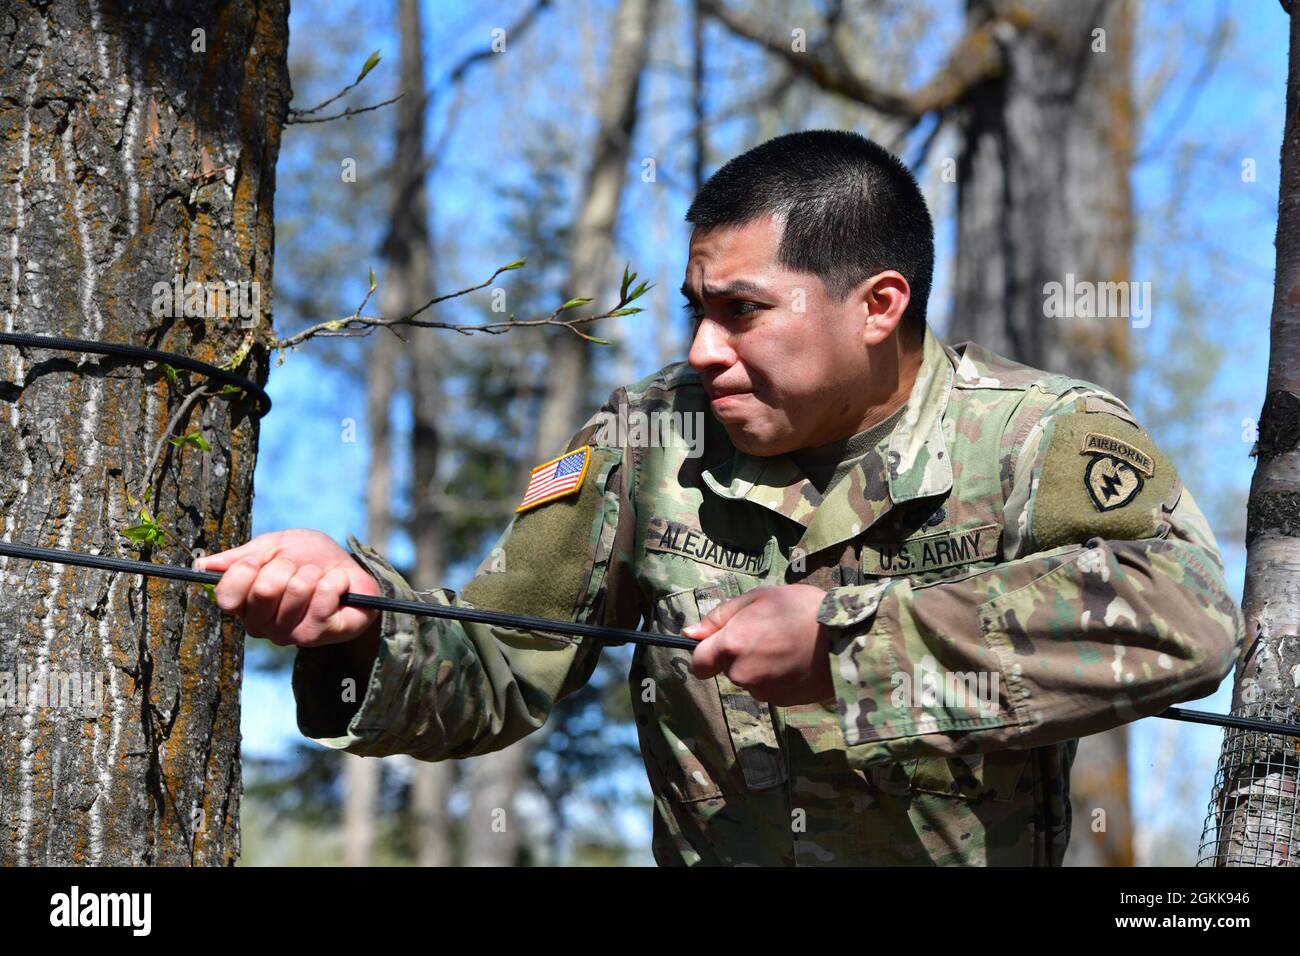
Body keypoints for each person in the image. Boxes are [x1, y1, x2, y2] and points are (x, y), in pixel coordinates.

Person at [196, 129, 1244, 866]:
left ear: (878, 304)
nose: (703, 349)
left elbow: (1186, 616)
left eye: (744, 311)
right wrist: (356, 622)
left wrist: (849, 642)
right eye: (698, 308)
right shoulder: (647, 440)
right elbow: (500, 668)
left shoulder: (1032, 434)